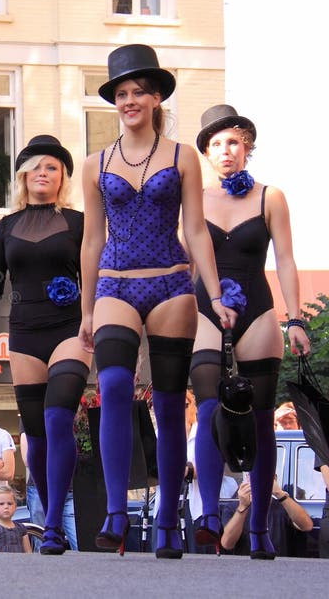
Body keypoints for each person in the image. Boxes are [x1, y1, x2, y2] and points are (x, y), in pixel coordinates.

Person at [78, 44, 237, 558]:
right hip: (115, 284)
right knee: (116, 386)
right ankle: (116, 514)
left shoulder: (182, 155)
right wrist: (85, 310)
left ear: (155, 98)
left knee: (170, 405)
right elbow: (91, 240)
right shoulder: (94, 163)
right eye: (121, 93)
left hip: (170, 282)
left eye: (138, 91)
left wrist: (215, 294)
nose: (129, 100)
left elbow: (195, 229)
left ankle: (169, 520)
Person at [189, 104, 311, 560]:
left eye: (234, 142)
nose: (226, 151)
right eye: (217, 144)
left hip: (258, 311)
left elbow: (285, 260)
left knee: (260, 419)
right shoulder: (194, 198)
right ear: (206, 152)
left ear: (247, 149)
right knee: (206, 409)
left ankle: (259, 524)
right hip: (204, 308)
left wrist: (295, 318)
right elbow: (184, 265)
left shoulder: (269, 197)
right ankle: (208, 518)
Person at [0, 134, 89, 554]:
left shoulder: (78, 221)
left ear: (62, 177)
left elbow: (94, 272)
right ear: (24, 175)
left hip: (71, 329)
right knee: (36, 434)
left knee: (59, 419)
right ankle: (46, 513)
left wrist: (96, 318)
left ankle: (55, 522)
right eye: (36, 166)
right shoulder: (6, 226)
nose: (44, 173)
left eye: (52, 167)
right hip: (24, 333)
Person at [219, 475, 313, 557]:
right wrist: (243, 506)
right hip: (247, 569)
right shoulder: (233, 508)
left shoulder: (284, 506)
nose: (258, 481)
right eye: (252, 477)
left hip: (281, 568)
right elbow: (227, 544)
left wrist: (279, 493)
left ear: (274, 479)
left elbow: (306, 525)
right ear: (247, 480)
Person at [0, 485, 31, 553]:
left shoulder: (21, 528)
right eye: (1, 504)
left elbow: (28, 552)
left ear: (15, 506)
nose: (6, 506)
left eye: (10, 503)